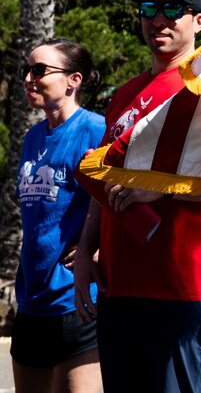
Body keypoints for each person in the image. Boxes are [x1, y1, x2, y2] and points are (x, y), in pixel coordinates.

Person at [72, 0, 201, 393]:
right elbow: (105, 179)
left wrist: (160, 185)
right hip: (119, 289)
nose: (158, 20)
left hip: (181, 290)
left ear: (199, 21)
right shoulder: (125, 94)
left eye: (173, 9)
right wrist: (85, 253)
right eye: (149, 8)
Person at [13, 39, 106, 393]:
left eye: (39, 71)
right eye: (26, 71)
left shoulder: (97, 130)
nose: (28, 79)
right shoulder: (32, 137)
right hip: (31, 301)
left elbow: (122, 198)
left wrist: (96, 245)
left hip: (76, 301)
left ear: (74, 80)